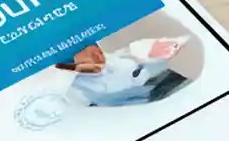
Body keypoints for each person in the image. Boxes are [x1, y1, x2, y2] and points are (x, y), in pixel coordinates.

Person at [54, 37, 191, 107]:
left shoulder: (128, 54)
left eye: (97, 52)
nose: (98, 57)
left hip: (166, 89)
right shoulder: (71, 92)